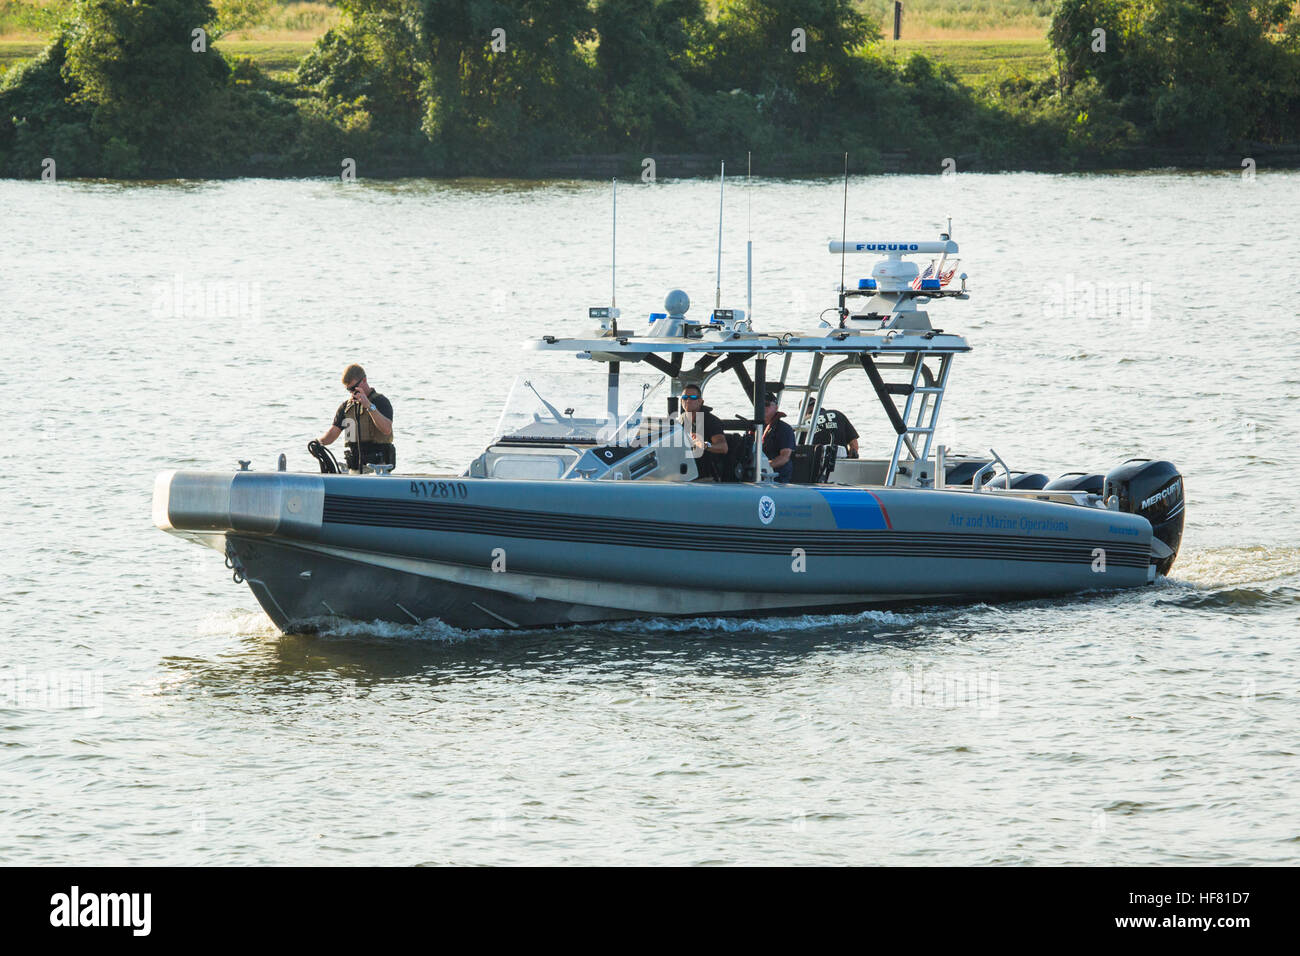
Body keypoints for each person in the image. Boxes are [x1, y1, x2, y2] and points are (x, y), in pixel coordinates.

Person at [317, 363, 395, 471]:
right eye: (349, 390)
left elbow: (386, 429)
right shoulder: (346, 407)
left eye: (354, 388)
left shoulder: (380, 401)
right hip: (355, 468)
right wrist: (317, 442)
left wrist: (368, 406)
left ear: (364, 380)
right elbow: (332, 434)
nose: (352, 392)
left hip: (377, 468)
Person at [679, 386, 728, 480]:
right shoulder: (681, 419)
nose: (688, 400)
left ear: (700, 401)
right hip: (683, 473)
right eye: (684, 398)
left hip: (705, 478)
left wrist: (705, 445)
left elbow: (723, 447)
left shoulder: (711, 421)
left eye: (692, 398)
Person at [761, 391, 795, 483]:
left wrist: (763, 467)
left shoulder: (784, 429)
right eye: (760, 404)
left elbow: (784, 457)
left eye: (767, 404)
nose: (763, 407)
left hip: (777, 478)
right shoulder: (755, 428)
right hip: (757, 475)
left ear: (776, 407)